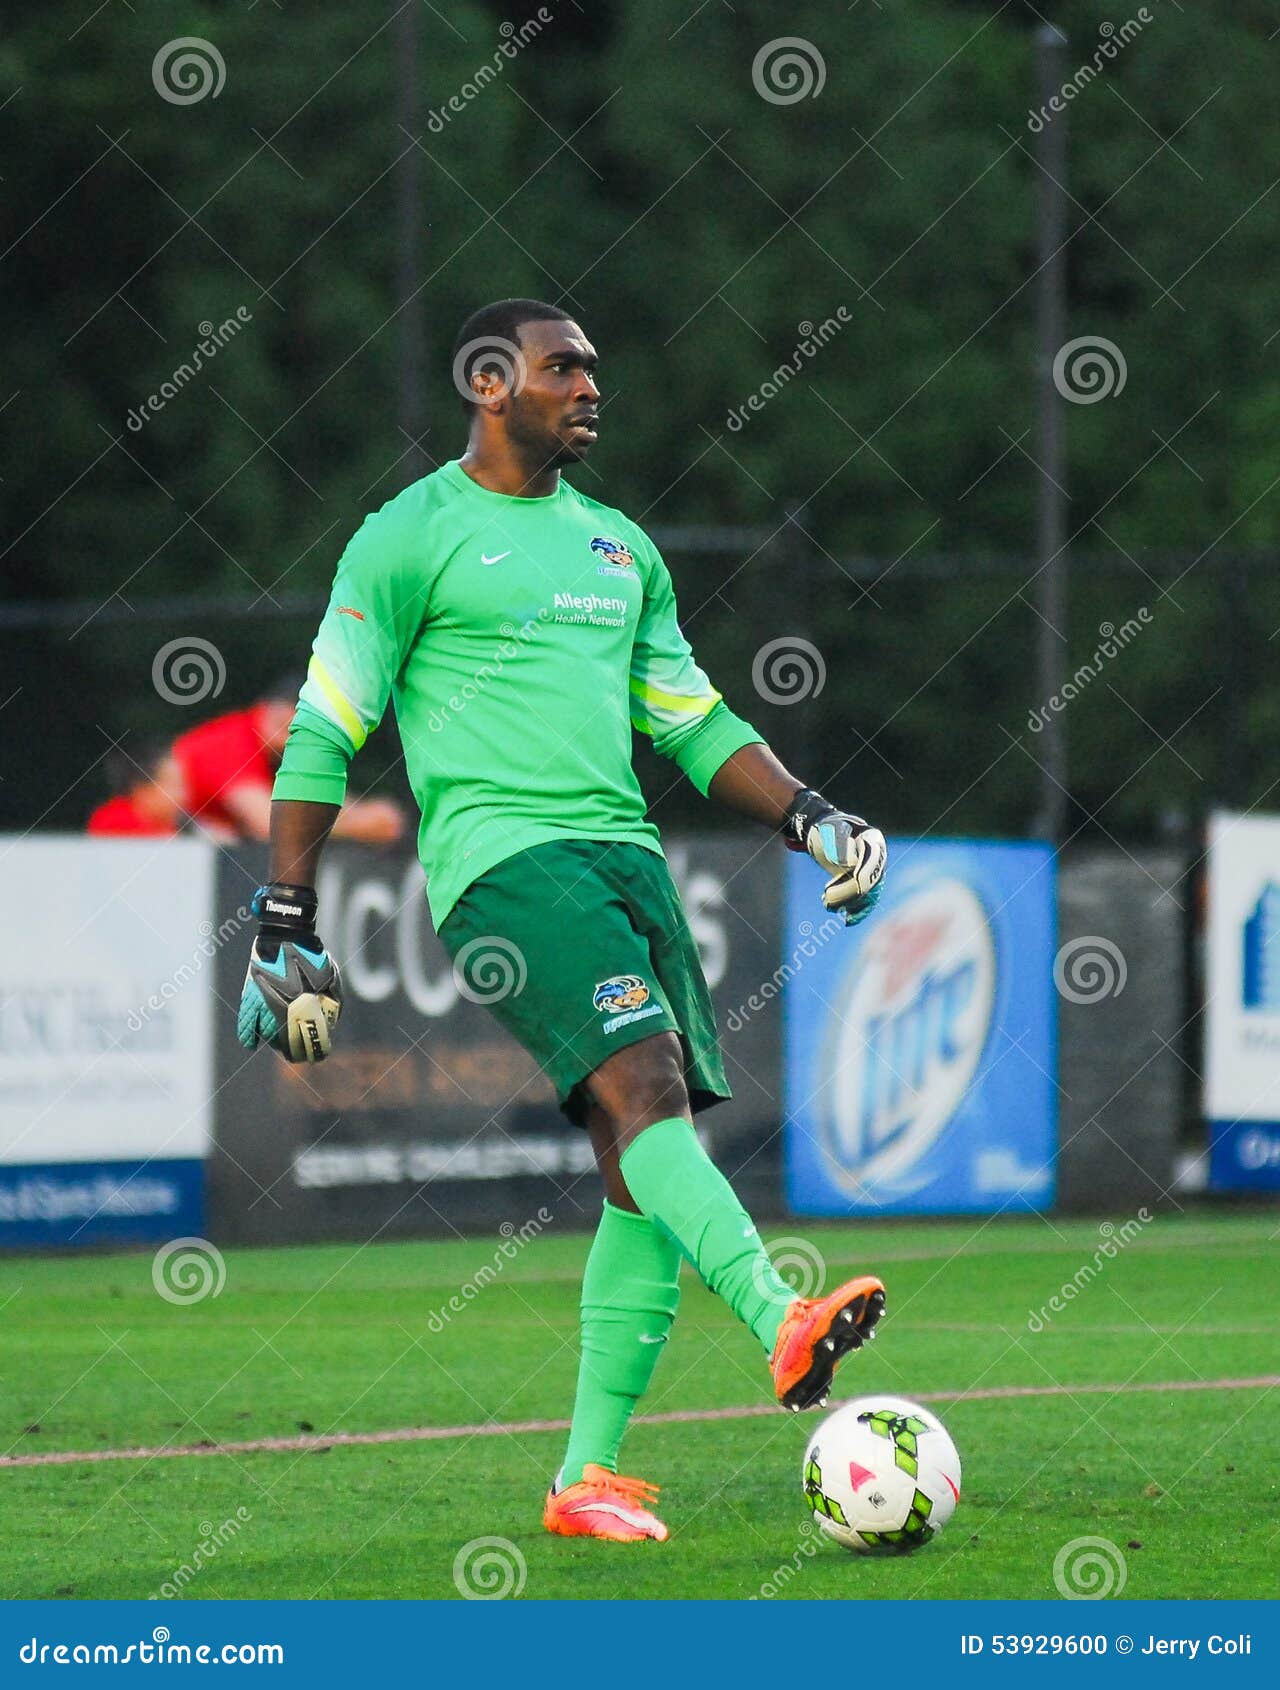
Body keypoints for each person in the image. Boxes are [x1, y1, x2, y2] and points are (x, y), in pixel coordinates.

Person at [236, 298, 889, 1545]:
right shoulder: (406, 537)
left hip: (625, 866)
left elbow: (692, 722)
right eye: (562, 367)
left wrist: (811, 815)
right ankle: (776, 1315)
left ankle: (582, 1478)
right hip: (506, 863)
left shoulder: (618, 550)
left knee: (639, 1167)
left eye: (595, 366)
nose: (591, 386)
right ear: (490, 382)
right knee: (645, 1086)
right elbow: (325, 724)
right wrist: (284, 901)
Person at [171, 680, 403, 845]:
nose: (290, 739)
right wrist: (361, 825)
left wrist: (365, 814)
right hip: (148, 840)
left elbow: (314, 796)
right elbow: (270, 825)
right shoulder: (234, 741)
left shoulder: (273, 749)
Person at [87, 739, 189, 837]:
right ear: (142, 789)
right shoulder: (113, 820)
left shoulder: (166, 826)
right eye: (173, 786)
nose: (183, 796)